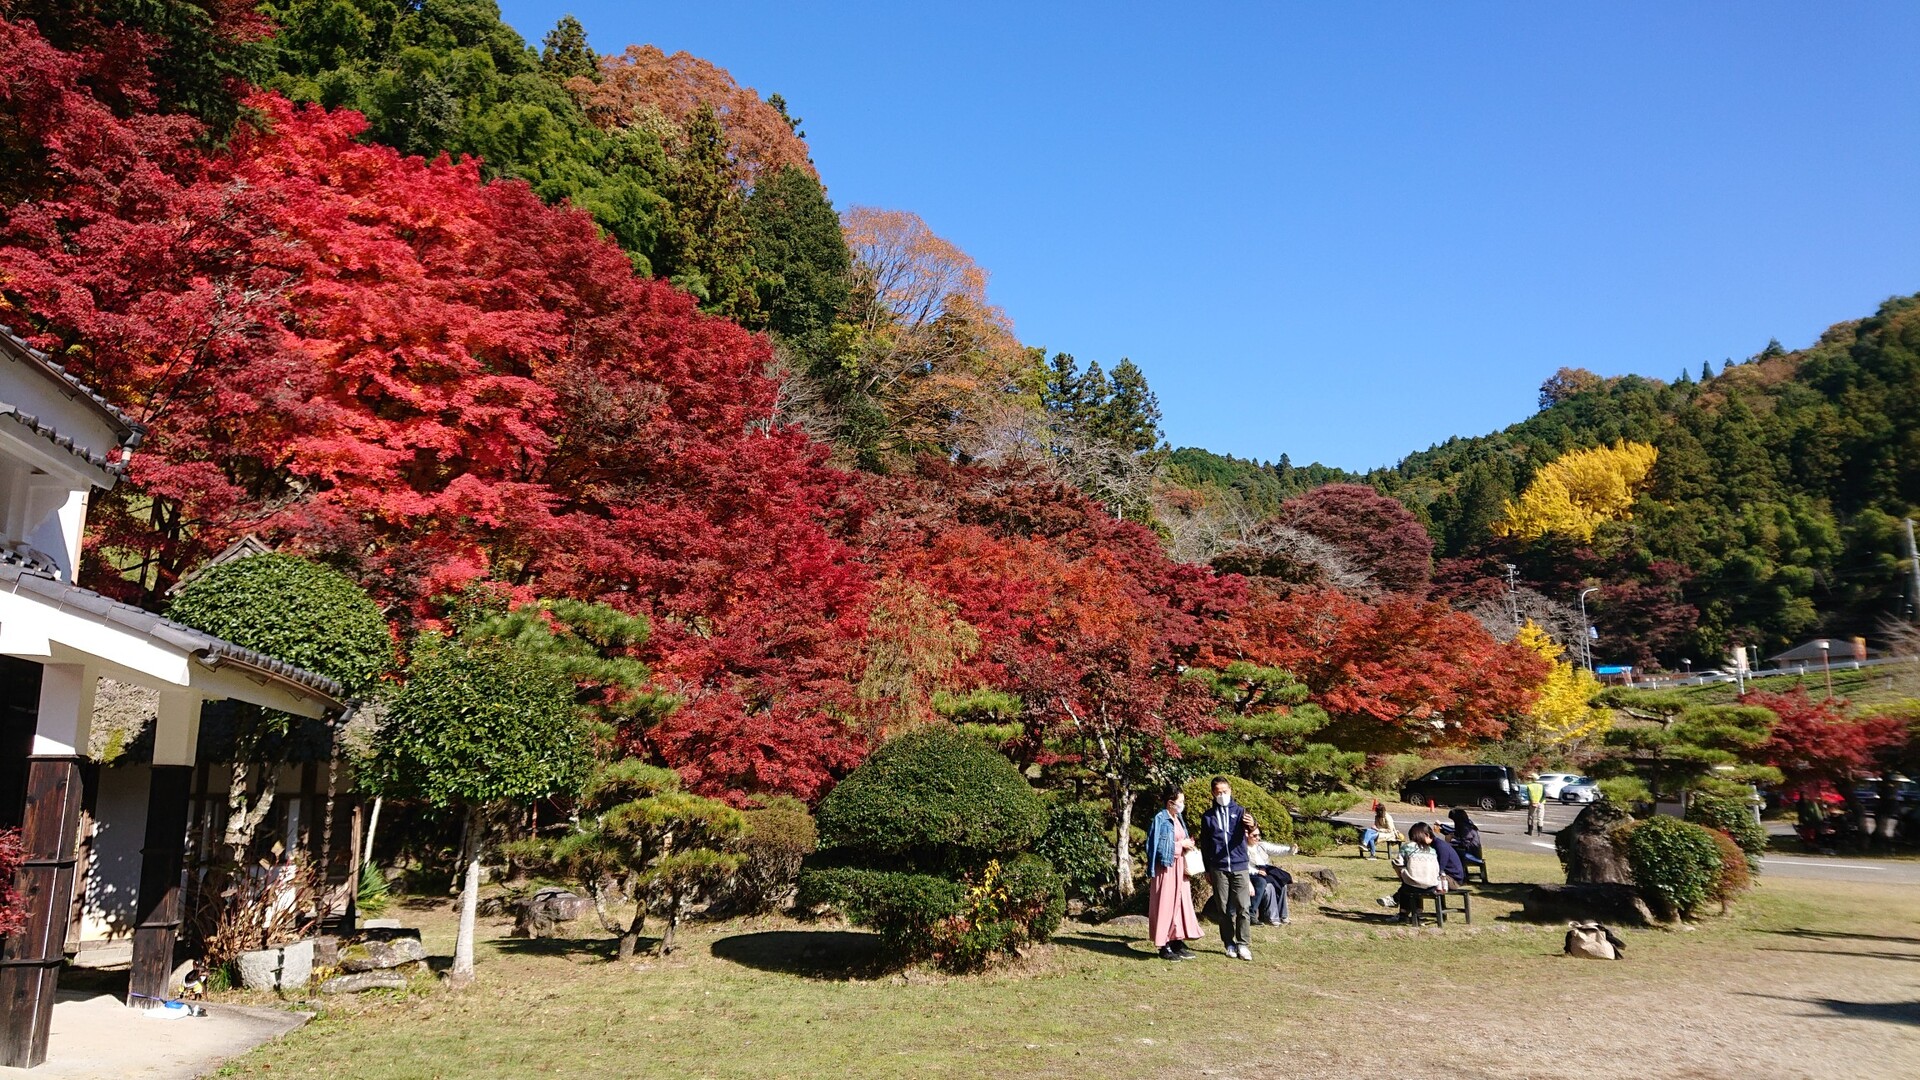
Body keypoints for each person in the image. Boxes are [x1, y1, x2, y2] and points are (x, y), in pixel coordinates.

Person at [1196, 775, 1254, 960]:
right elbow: (1205, 844)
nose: (1222, 795)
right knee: (1223, 908)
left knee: (1243, 906)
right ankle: (1229, 942)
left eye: (1225, 791)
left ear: (1230, 791)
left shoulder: (1240, 811)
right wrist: (1207, 869)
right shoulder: (1208, 816)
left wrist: (1253, 825)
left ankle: (1243, 943)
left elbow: (1252, 831)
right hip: (1218, 868)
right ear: (1213, 793)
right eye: (1218, 792)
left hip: (1239, 865)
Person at [1144, 785, 1201, 961]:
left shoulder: (1178, 818)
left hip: (1179, 868)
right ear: (1170, 803)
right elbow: (1157, 848)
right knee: (1165, 905)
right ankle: (1164, 944)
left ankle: (1177, 940)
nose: (1182, 805)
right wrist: (1180, 845)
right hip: (1166, 868)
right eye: (1180, 802)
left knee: (1180, 904)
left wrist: (1187, 843)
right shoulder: (1161, 819)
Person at [1376, 821, 1448, 921]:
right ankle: (1416, 914)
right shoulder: (1432, 850)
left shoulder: (1407, 847)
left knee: (1409, 884)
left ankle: (1400, 910)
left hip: (1412, 885)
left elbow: (1397, 863)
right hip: (1432, 886)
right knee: (1413, 882)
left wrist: (1401, 876)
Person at [1246, 821, 1294, 925]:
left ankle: (1283, 916)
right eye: (1254, 835)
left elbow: (1277, 850)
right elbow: (1244, 867)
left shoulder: (1261, 846)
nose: (1257, 838)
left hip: (1264, 872)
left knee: (1282, 883)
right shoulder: (1242, 849)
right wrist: (1257, 871)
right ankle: (1272, 918)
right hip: (1252, 875)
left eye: (1259, 835)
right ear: (1246, 835)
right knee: (1269, 886)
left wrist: (1290, 849)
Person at [1444, 807, 1484, 873]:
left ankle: (1455, 872)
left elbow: (1465, 843)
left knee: (1448, 851)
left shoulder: (1464, 827)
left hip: (1472, 853)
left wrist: (1449, 843)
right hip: (1472, 850)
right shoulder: (1467, 824)